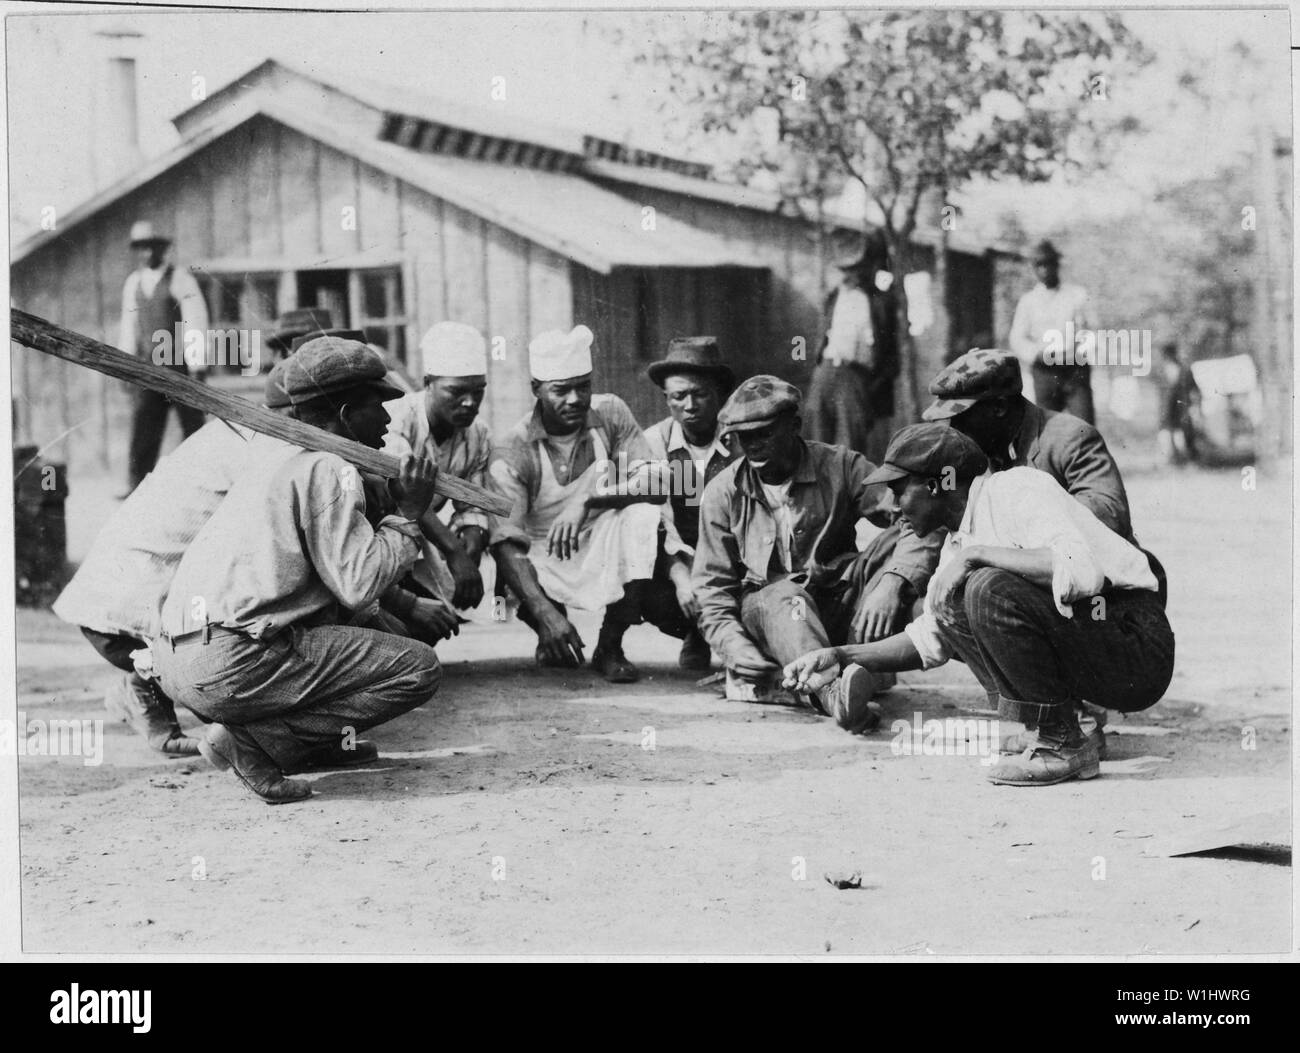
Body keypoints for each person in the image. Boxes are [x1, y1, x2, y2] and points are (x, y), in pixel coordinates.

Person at [783, 423, 1174, 786]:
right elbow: (929, 638)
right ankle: (1057, 726)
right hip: (1096, 639)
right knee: (955, 600)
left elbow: (1083, 572)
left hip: (1134, 640)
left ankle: (1063, 741)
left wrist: (978, 556)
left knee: (985, 587)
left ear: (943, 482)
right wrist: (841, 655)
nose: (894, 505)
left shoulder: (1014, 489)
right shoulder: (955, 543)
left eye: (901, 490)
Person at [152, 337, 443, 805]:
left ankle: (311, 742)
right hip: (231, 661)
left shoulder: (272, 455)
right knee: (417, 668)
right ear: (347, 415)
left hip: (180, 660)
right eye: (377, 407)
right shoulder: (327, 468)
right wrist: (408, 515)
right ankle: (255, 743)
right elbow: (359, 582)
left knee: (371, 624)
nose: (388, 421)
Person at [693, 376, 941, 733]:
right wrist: (732, 644)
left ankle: (844, 677)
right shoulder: (722, 492)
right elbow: (711, 586)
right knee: (786, 595)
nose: (754, 446)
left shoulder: (841, 464)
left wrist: (893, 581)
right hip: (773, 611)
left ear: (794, 426)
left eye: (765, 433)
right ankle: (833, 693)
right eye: (744, 437)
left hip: (836, 599)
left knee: (901, 539)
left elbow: (915, 515)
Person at [487, 325, 669, 683]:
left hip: (598, 538)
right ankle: (552, 629)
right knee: (519, 572)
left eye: (582, 386)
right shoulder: (515, 448)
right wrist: (545, 614)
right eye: (560, 390)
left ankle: (610, 646)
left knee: (643, 517)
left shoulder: (610, 413)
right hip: (543, 552)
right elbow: (507, 539)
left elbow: (659, 481)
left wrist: (591, 499)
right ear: (536, 390)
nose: (574, 399)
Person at [923, 348, 1135, 542]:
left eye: (961, 417)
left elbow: (1111, 515)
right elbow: (939, 510)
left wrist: (1014, 515)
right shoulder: (972, 449)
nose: (953, 428)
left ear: (999, 407)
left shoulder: (1071, 437)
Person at [641, 336, 740, 671]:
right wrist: (683, 577)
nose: (690, 405)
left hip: (735, 560)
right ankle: (695, 633)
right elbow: (657, 518)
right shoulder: (655, 442)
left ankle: (737, 638)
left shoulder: (740, 439)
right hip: (680, 560)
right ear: (666, 398)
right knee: (649, 593)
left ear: (719, 395)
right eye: (679, 396)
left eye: (700, 393)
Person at [382, 322, 493, 613]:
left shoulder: (478, 434)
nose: (470, 402)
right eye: (456, 392)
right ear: (428, 382)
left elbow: (473, 503)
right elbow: (407, 494)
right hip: (383, 534)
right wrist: (454, 552)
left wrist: (472, 538)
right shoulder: (398, 417)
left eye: (478, 391)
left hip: (424, 539)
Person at [119, 220, 209, 492]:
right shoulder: (133, 283)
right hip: (148, 369)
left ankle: (204, 482)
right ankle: (137, 487)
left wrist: (197, 364)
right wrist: (125, 367)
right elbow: (129, 326)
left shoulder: (180, 278)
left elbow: (195, 320)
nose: (147, 254)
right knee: (143, 429)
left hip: (178, 366)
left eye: (152, 248)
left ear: (162, 249)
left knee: (194, 427)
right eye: (142, 248)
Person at [806, 229, 900, 463]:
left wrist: (874, 383)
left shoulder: (881, 302)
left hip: (856, 375)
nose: (850, 274)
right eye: (846, 269)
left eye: (857, 268)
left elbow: (891, 353)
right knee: (815, 436)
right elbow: (824, 336)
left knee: (850, 445)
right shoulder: (834, 297)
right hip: (826, 370)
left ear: (870, 267)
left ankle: (848, 497)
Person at [1008, 240, 1095, 424]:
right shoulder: (1028, 301)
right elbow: (1017, 338)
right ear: (1034, 268)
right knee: (1046, 429)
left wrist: (1077, 352)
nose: (1045, 269)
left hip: (1074, 369)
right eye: (1040, 265)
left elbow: (1090, 332)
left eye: (1049, 263)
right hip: (1045, 372)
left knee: (1085, 427)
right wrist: (1036, 354)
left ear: (1057, 264)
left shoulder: (1076, 295)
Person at [1156, 342, 1201, 464]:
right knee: (1165, 434)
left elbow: (1194, 389)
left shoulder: (1184, 370)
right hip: (1166, 410)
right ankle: (1168, 460)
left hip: (1181, 409)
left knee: (1180, 435)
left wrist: (1194, 406)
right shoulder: (1161, 371)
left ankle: (1183, 460)